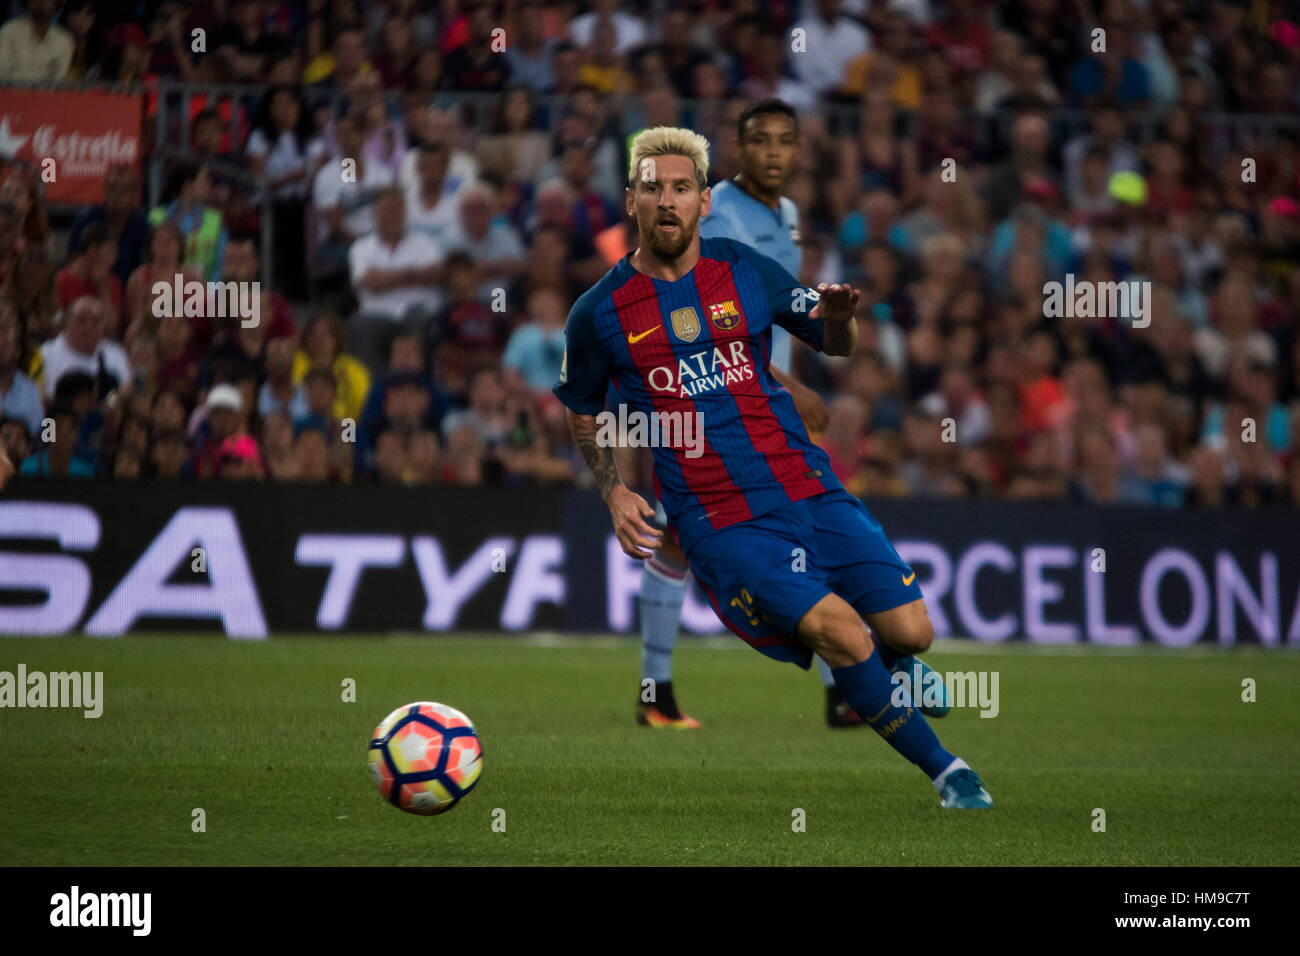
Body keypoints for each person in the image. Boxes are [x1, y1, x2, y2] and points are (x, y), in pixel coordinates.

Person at [553, 127, 991, 809]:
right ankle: (949, 773)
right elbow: (583, 408)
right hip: (723, 521)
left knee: (914, 632)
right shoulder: (598, 312)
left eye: (680, 189)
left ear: (703, 200)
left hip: (812, 489)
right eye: (651, 189)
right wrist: (612, 492)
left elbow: (833, 341)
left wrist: (841, 321)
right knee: (842, 634)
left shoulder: (745, 270)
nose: (666, 201)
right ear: (632, 201)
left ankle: (898, 667)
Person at [635, 100, 872, 728]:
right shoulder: (721, 218)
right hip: (713, 400)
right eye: (759, 141)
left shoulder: (787, 214)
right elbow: (707, 317)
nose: (773, 152)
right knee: (682, 537)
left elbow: (772, 312)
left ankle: (837, 687)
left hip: (761, 410)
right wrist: (788, 382)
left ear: (798, 151)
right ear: (738, 149)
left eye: (785, 141)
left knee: (770, 533)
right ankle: (657, 691)